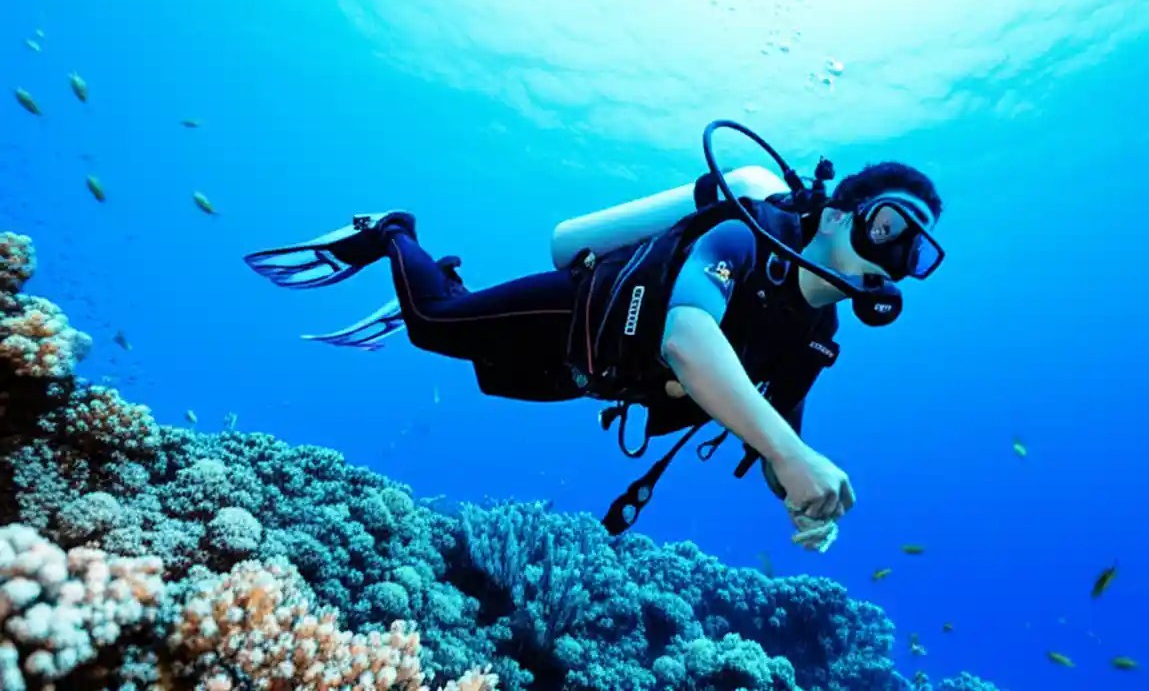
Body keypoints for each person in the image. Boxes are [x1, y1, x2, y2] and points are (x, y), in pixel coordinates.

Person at [244, 159, 945, 552]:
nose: (895, 254)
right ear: (835, 212)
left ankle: (442, 276)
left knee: (483, 366)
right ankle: (394, 232)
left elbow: (776, 431)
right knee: (434, 325)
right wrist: (794, 455)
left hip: (595, 375)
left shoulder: (816, 338)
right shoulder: (749, 235)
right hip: (576, 309)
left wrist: (802, 498)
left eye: (916, 250)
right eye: (890, 224)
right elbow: (687, 338)